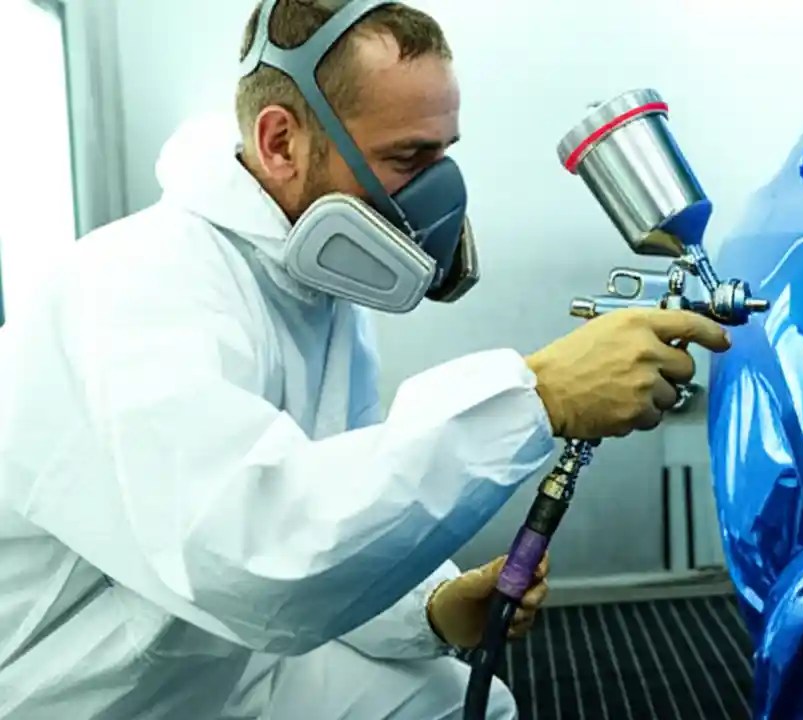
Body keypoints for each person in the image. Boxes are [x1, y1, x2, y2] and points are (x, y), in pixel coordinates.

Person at [0, 1, 730, 718]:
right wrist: (536, 397)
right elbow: (257, 556)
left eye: (445, 154)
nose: (439, 195)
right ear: (280, 142)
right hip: (83, 697)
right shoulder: (136, 284)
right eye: (409, 158)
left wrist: (433, 609)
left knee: (447, 703)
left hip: (214, 665)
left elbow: (340, 505)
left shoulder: (315, 291)